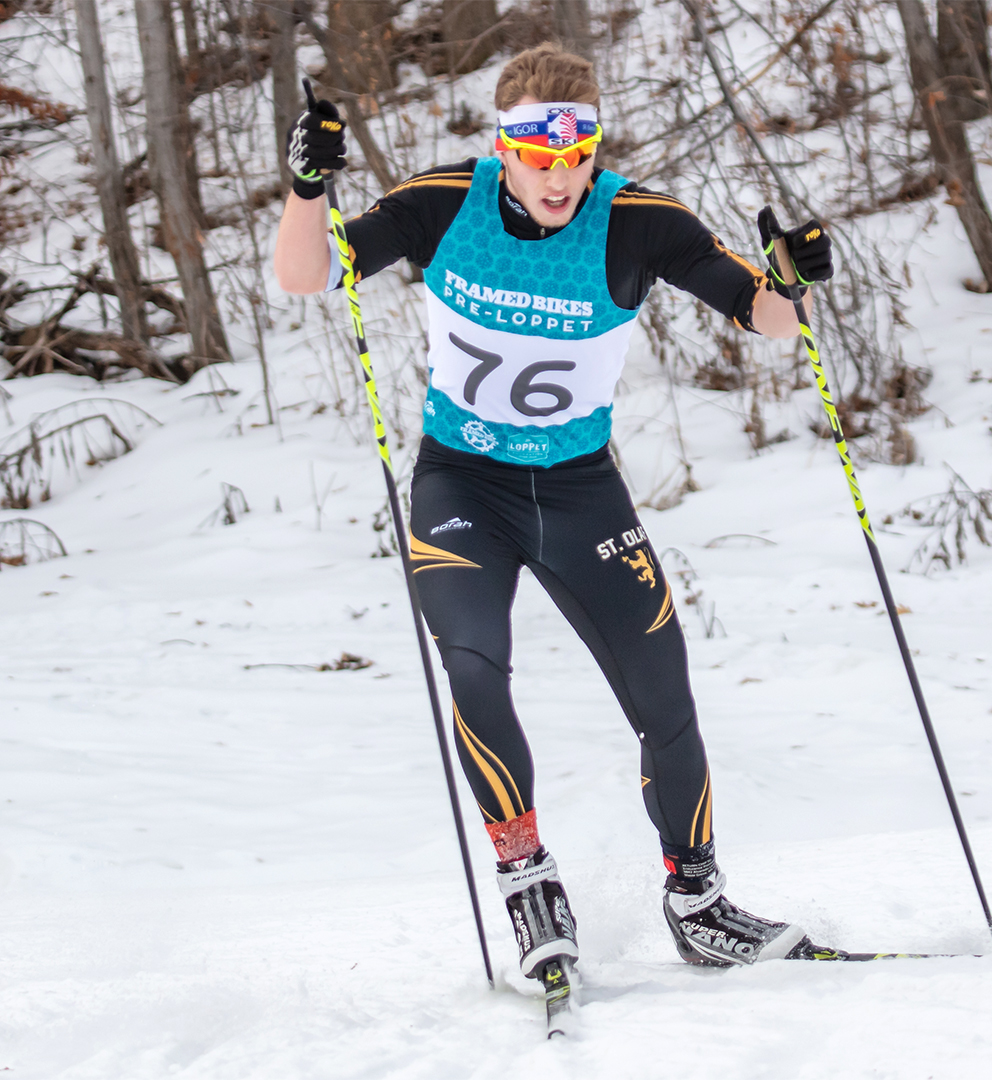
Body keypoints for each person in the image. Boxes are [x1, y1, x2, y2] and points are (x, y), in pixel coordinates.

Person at [274, 44, 834, 978]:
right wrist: (304, 188)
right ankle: (528, 881)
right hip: (464, 487)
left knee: (665, 693)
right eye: (538, 151)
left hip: (580, 493)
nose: (560, 172)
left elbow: (765, 317)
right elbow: (305, 276)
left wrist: (790, 282)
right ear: (504, 146)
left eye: (579, 151)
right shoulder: (444, 203)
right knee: (475, 669)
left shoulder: (638, 222)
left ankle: (696, 900)